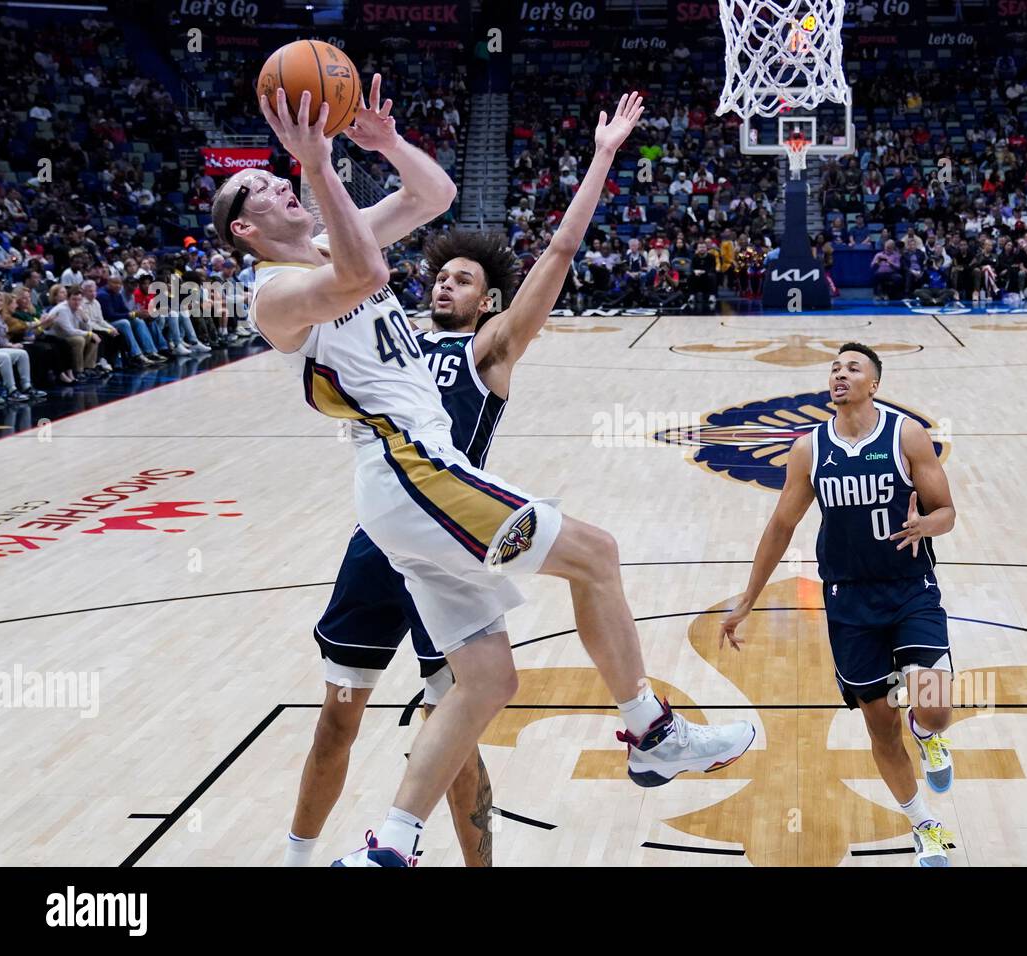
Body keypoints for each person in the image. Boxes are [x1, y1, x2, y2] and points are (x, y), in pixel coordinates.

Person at [229, 81, 752, 868]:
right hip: (415, 475)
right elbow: (365, 274)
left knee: (485, 679)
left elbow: (432, 195)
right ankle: (652, 731)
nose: (280, 184)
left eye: (280, 176)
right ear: (246, 229)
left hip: (414, 495)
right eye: (263, 189)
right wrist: (318, 164)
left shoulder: (380, 279)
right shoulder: (276, 293)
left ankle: (391, 847)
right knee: (597, 553)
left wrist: (381, 144)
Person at [720, 344, 958, 866]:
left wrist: (926, 524)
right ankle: (925, 824)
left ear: (874, 383)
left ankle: (928, 733)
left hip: (910, 587)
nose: (839, 374)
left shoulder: (907, 435)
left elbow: (946, 512)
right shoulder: (809, 449)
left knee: (935, 707)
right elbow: (782, 526)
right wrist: (747, 599)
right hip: (847, 599)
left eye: (853, 368)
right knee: (879, 724)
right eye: (834, 368)